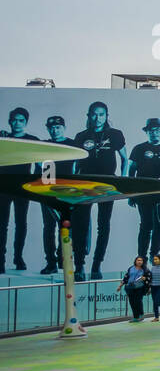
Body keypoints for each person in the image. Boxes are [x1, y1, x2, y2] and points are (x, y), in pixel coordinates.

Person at [71, 101, 126, 281]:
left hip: (107, 184)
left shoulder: (115, 134)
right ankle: (79, 265)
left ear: (106, 116)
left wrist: (123, 180)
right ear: (89, 116)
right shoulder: (81, 136)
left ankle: (97, 264)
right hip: (85, 184)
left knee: (104, 224)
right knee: (81, 224)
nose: (97, 118)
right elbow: (75, 162)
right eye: (94, 114)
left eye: (101, 114)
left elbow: (125, 157)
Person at [127, 117, 160, 262]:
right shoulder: (139, 149)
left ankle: (154, 253)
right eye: (151, 130)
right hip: (143, 193)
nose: (154, 133)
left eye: (157, 130)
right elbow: (131, 171)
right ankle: (141, 256)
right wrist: (131, 193)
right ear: (147, 132)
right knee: (146, 225)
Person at [38, 115, 80, 275]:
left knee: (67, 227)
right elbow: (42, 169)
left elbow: (77, 168)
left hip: (68, 192)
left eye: (58, 127)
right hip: (48, 191)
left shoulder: (72, 144)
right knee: (48, 227)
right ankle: (51, 262)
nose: (55, 130)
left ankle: (64, 259)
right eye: (52, 127)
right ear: (48, 129)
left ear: (63, 127)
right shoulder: (44, 145)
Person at [0, 106, 37, 274]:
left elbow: (41, 164)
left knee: (21, 224)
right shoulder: (3, 139)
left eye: (21, 120)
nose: (17, 123)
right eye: (14, 120)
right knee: (2, 224)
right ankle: (1, 259)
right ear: (10, 122)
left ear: (26, 123)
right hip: (4, 186)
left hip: (23, 187)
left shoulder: (32, 140)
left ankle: (18, 258)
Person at [116, 255, 151, 323]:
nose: (139, 262)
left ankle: (141, 314)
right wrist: (120, 286)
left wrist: (146, 282)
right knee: (132, 302)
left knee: (138, 301)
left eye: (141, 260)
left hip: (139, 287)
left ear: (143, 262)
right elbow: (126, 278)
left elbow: (149, 279)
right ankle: (135, 317)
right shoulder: (131, 268)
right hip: (130, 287)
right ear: (135, 261)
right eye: (138, 260)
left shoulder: (145, 270)